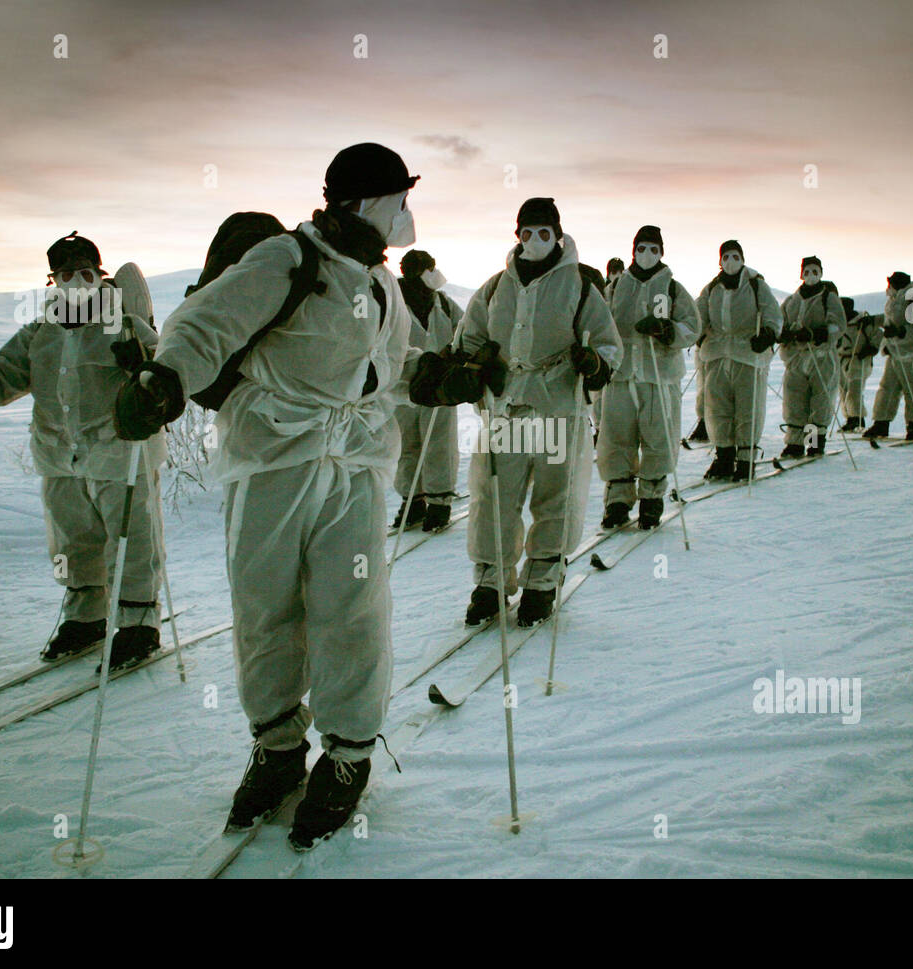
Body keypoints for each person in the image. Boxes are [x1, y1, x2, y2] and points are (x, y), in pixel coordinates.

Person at [113, 143, 420, 850]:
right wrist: (164, 380)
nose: (407, 210)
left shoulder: (382, 284)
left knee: (354, 604)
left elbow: (395, 362)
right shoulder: (290, 260)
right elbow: (208, 322)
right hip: (274, 460)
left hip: (356, 464)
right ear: (368, 201)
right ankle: (279, 747)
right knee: (264, 603)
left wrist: (435, 376)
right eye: (399, 197)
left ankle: (347, 755)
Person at [0, 232, 166, 670]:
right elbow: (4, 375)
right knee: (71, 544)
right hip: (58, 456)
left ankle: (137, 625)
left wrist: (142, 365)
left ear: (101, 274)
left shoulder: (125, 321)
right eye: (67, 273)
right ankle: (86, 618)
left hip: (119, 452)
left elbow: (165, 367)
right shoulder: (40, 331)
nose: (77, 281)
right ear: (53, 279)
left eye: (86, 272)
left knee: (131, 540)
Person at [412, 197, 622, 627]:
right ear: (518, 235)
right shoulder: (495, 287)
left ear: (557, 235)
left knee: (555, 497)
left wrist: (594, 362)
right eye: (528, 231)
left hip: (557, 410)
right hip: (505, 409)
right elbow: (469, 338)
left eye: (545, 232)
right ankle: (491, 582)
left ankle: (541, 583)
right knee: (494, 497)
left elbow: (608, 343)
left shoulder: (581, 288)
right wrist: (471, 365)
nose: (536, 239)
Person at [596, 226, 700, 528]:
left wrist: (667, 330)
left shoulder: (673, 289)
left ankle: (652, 498)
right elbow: (601, 322)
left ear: (661, 252)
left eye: (653, 249)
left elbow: (692, 325)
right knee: (616, 437)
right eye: (642, 248)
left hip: (659, 374)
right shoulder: (615, 288)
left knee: (659, 436)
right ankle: (617, 500)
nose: (646, 254)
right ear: (633, 250)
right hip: (622, 374)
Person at [695, 240, 783, 479]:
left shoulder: (756, 285)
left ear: (742, 258)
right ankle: (724, 457)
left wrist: (767, 333)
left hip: (748, 355)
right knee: (717, 409)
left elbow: (772, 312)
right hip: (717, 355)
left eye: (735, 256)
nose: (730, 261)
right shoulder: (712, 288)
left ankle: (745, 459)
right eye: (726, 257)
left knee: (748, 408)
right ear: (720, 261)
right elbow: (697, 316)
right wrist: (697, 335)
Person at [392, 249, 461, 531]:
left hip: (441, 386)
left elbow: (465, 328)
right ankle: (413, 500)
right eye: (430, 268)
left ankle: (439, 502)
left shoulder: (442, 302)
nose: (435, 273)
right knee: (406, 444)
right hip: (402, 386)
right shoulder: (392, 303)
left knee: (439, 443)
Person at [777, 256, 843, 457]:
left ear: (821, 273)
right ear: (801, 274)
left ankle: (813, 443)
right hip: (796, 358)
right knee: (794, 400)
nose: (811, 275)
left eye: (815, 271)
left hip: (820, 357)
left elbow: (838, 323)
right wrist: (784, 334)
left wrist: (818, 334)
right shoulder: (791, 300)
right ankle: (795, 444)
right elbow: (781, 322)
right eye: (807, 271)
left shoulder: (828, 297)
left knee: (820, 400)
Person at [863, 271, 913, 441]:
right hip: (895, 351)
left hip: (912, 353)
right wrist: (874, 320)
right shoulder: (895, 299)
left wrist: (901, 332)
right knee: (887, 388)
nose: (888, 287)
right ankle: (881, 423)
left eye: (890, 283)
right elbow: (890, 320)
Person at [835, 296, 880, 432]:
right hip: (842, 360)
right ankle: (850, 418)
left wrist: (871, 348)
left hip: (859, 360)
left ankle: (857, 419)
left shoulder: (862, 323)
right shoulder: (839, 323)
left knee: (854, 391)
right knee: (843, 390)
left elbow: (878, 335)